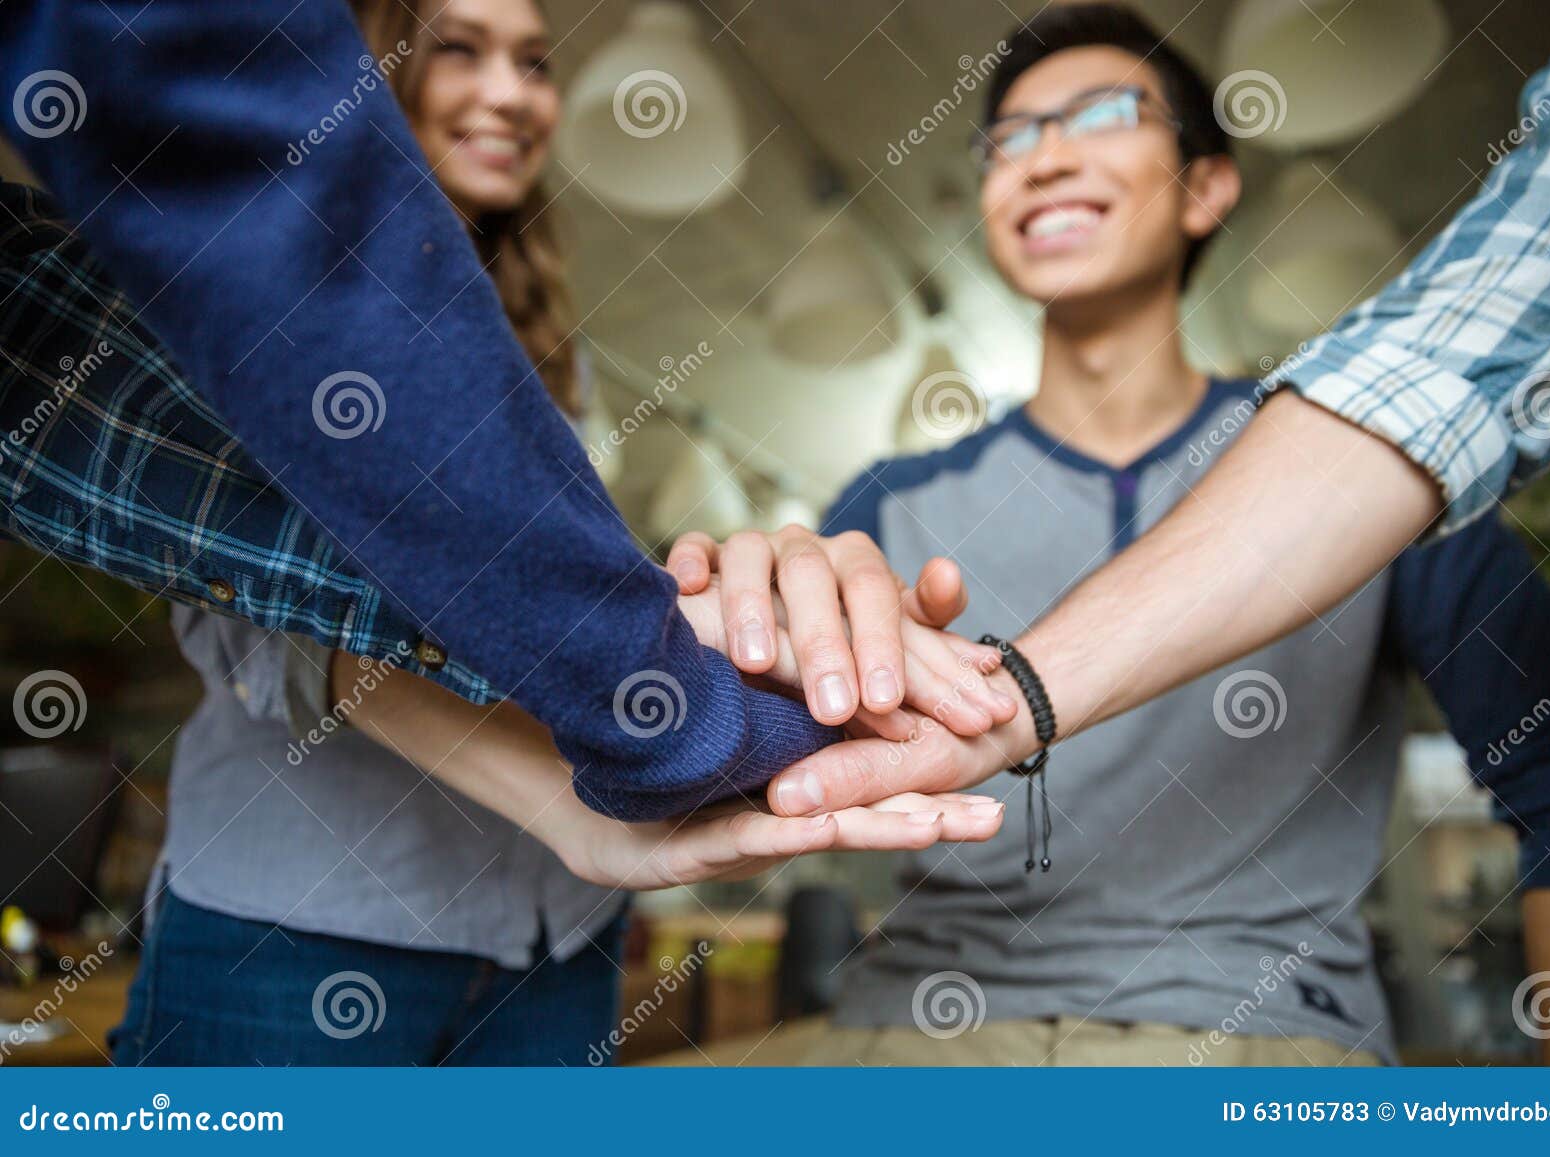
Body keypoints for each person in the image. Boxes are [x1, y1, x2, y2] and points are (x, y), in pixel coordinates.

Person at [0, 0, 1007, 1066]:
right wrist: (628, 743)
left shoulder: (568, 374)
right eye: (460, 51)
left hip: (554, 940)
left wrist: (719, 619)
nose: (509, 92)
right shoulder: (263, 306)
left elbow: (570, 598)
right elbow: (266, 608)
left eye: (534, 62)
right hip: (310, 923)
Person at [674, 4, 1550, 1066]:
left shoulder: (1380, 474)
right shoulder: (883, 505)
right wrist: (699, 647)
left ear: (1206, 185)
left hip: (1244, 1033)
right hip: (920, 1031)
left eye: (1104, 115)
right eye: (1008, 140)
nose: (1044, 158)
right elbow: (761, 774)